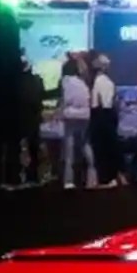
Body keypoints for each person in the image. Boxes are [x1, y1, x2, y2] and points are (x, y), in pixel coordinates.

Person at [4, 55, 44, 188]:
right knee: (33, 149)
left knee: (15, 149)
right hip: (33, 119)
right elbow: (39, 98)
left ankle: (14, 177)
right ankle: (33, 176)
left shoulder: (14, 81)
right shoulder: (37, 81)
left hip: (18, 119)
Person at [58, 58, 93, 190]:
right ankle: (92, 177)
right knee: (85, 145)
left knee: (69, 148)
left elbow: (64, 100)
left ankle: (68, 181)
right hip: (85, 116)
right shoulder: (83, 82)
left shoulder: (65, 81)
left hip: (70, 116)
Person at [88, 54, 120, 188]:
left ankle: (106, 178)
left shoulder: (99, 81)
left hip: (101, 116)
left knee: (101, 148)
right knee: (107, 147)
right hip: (107, 115)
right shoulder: (107, 82)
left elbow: (99, 103)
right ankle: (109, 177)